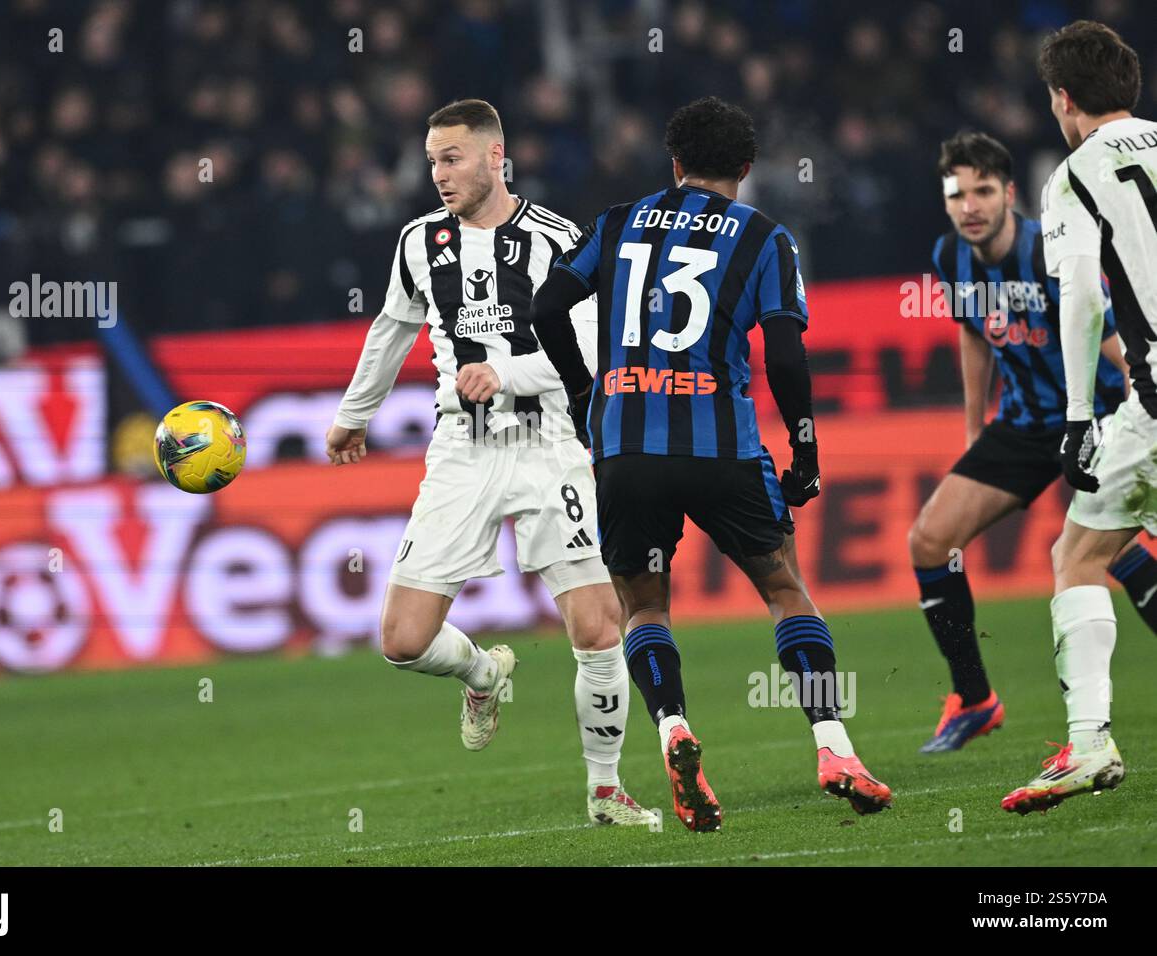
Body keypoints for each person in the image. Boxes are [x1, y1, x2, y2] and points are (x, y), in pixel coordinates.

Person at [530, 96, 891, 831]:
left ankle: (672, 729)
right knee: (784, 587)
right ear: (747, 170)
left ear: (675, 164)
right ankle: (834, 747)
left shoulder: (618, 220)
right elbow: (784, 351)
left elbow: (545, 308)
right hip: (721, 444)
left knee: (646, 606)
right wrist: (806, 444)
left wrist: (581, 391)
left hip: (625, 444)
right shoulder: (764, 239)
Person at [326, 99, 656, 826]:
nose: (439, 174)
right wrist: (355, 414)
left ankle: (606, 791)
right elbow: (391, 328)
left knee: (599, 626)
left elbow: (596, 354)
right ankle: (484, 672)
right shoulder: (419, 242)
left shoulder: (557, 240)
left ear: (495, 157)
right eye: (432, 161)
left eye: (452, 158)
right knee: (402, 640)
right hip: (461, 451)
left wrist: (507, 373)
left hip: (548, 446)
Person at [910, 129, 1154, 753]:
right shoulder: (948, 258)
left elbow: (1109, 337)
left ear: (1009, 194)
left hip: (1095, 416)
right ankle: (974, 698)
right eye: (957, 194)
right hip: (1021, 424)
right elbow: (972, 332)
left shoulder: (1052, 247)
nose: (970, 206)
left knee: (1114, 556)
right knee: (930, 541)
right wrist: (972, 429)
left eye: (983, 191)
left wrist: (1139, 414)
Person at [1002, 20, 1157, 813]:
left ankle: (1090, 741)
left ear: (1064, 100)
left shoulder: (1074, 176)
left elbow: (1082, 295)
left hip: (1156, 400)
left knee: (1077, 555)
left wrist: (1075, 412)